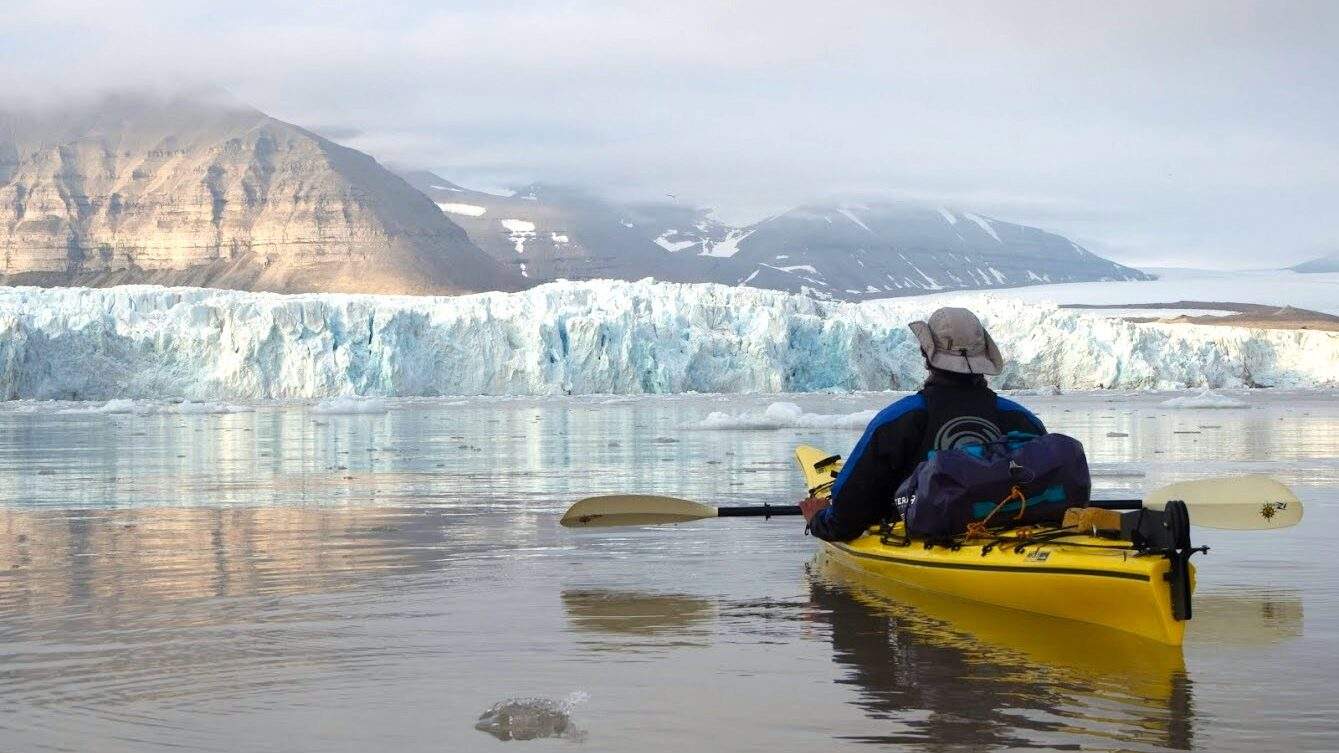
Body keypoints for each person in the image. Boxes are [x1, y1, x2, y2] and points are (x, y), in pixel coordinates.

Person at [801, 307, 1046, 541]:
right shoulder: (1022, 418)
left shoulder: (899, 418)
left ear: (925, 355)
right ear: (983, 356)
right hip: (1013, 535)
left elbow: (847, 517)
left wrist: (820, 519)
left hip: (924, 537)